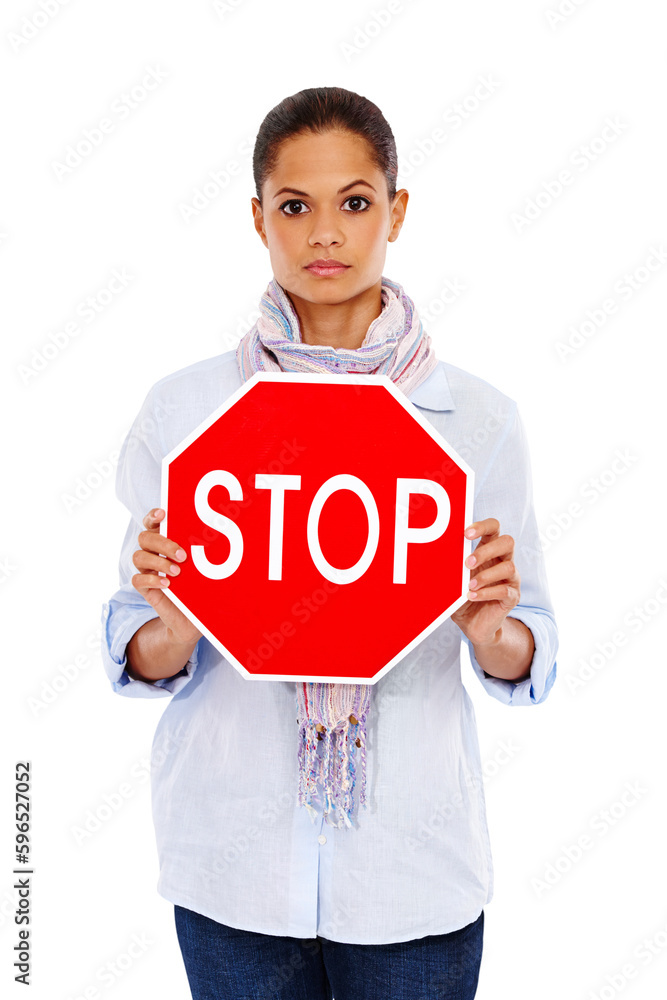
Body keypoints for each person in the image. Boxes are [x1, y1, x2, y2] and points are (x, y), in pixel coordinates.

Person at [101, 87, 558, 1000]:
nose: (325, 233)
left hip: (410, 873)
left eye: (354, 203)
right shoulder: (188, 411)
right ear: (257, 218)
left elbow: (525, 647)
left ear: (395, 211)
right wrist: (179, 615)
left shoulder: (475, 419)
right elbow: (138, 646)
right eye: (294, 206)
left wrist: (485, 621)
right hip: (232, 871)